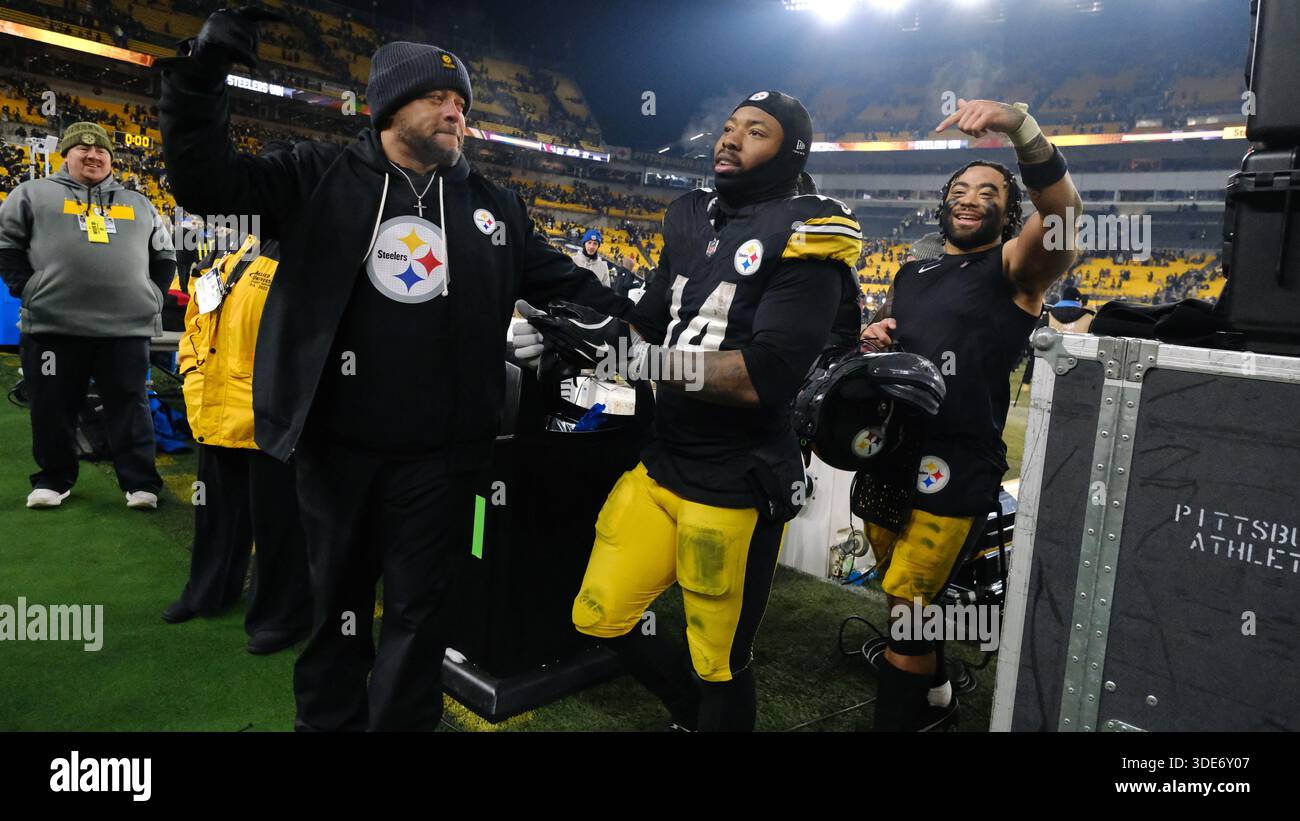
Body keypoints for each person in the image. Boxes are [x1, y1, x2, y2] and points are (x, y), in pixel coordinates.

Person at [157, 11, 631, 731]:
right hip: (335, 450)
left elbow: (573, 287)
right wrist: (200, 74)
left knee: (419, 614)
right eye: (441, 98)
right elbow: (203, 181)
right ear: (388, 106)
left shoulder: (493, 206)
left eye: (465, 104)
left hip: (443, 461)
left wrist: (641, 320)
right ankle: (326, 723)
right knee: (337, 609)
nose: (457, 112)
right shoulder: (317, 176)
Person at [532, 91, 862, 731]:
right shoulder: (686, 218)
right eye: (729, 127)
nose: (730, 140)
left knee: (719, 661)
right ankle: (690, 713)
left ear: (791, 153)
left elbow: (760, 377)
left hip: (736, 481)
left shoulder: (809, 234)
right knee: (599, 615)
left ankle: (711, 714)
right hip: (662, 464)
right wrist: (570, 338)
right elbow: (645, 325)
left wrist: (636, 358)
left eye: (756, 132)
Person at [860, 99, 1082, 731]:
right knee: (903, 598)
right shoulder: (913, 269)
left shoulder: (1014, 266)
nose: (969, 197)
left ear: (1009, 212)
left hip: (954, 461)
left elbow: (1065, 220)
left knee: (909, 611)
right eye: (960, 188)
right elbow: (909, 342)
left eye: (988, 191)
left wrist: (1020, 127)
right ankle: (938, 700)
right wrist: (881, 335)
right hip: (889, 451)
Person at [0, 121, 175, 510]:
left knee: (131, 404)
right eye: (83, 149)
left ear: (111, 159)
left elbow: (164, 255)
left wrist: (155, 297)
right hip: (53, 324)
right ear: (67, 154)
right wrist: (29, 290)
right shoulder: (31, 194)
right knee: (52, 404)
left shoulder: (138, 203)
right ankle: (53, 480)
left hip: (126, 326)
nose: (93, 156)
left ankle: (141, 483)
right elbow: (6, 245)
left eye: (101, 152)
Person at [163, 233, 313, 655]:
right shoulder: (238, 247)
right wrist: (193, 370)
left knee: (278, 526)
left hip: (272, 418)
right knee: (214, 513)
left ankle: (282, 616)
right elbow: (198, 316)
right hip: (217, 409)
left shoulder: (308, 249)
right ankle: (207, 590)